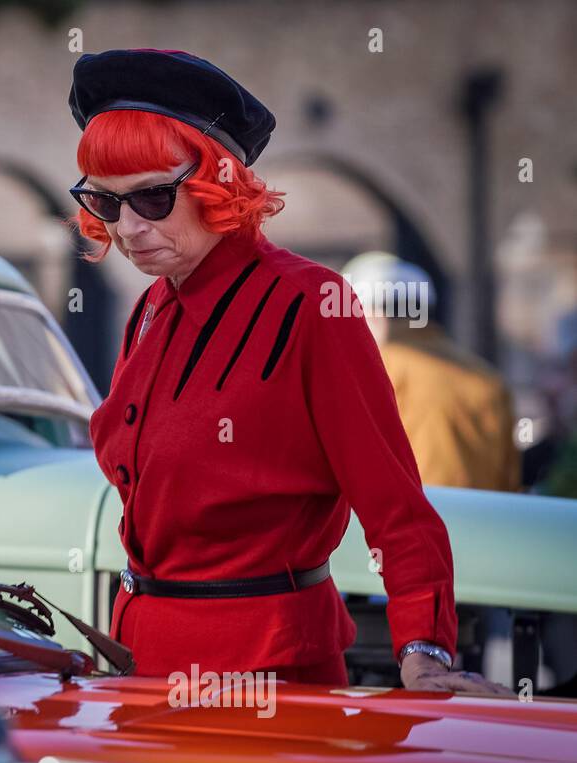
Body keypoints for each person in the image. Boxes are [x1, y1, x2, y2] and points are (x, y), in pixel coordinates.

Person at [67, 48, 509, 694]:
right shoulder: (150, 308)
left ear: (217, 183)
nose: (129, 229)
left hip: (268, 676)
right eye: (106, 204)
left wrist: (423, 649)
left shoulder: (312, 305)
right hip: (143, 665)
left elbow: (395, 506)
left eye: (154, 198)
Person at [343, 251, 520, 491]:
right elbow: (509, 481)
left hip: (406, 524)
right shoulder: (488, 379)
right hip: (485, 524)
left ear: (373, 316)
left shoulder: (369, 372)